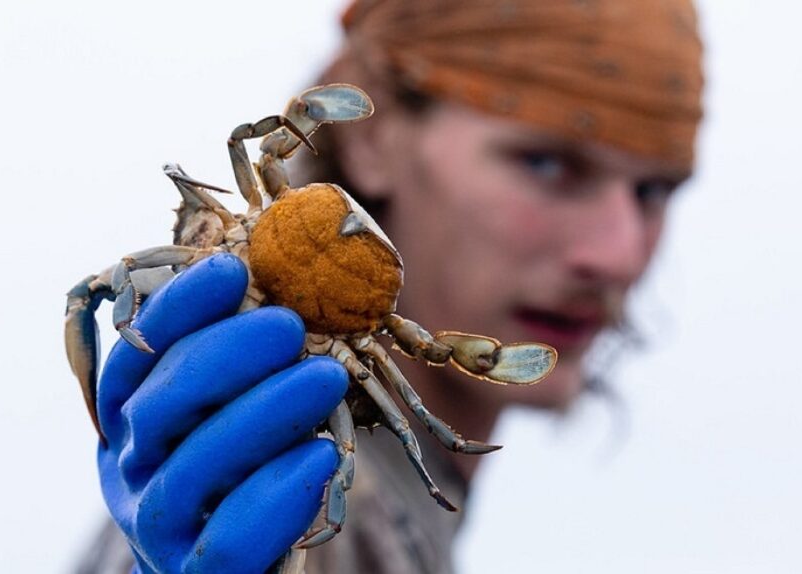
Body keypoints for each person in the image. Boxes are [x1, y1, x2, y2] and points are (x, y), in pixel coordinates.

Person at [75, 0, 704, 572]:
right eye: (546, 163)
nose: (618, 255)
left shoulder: (407, 518)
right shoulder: (299, 507)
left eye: (653, 191)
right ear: (373, 136)